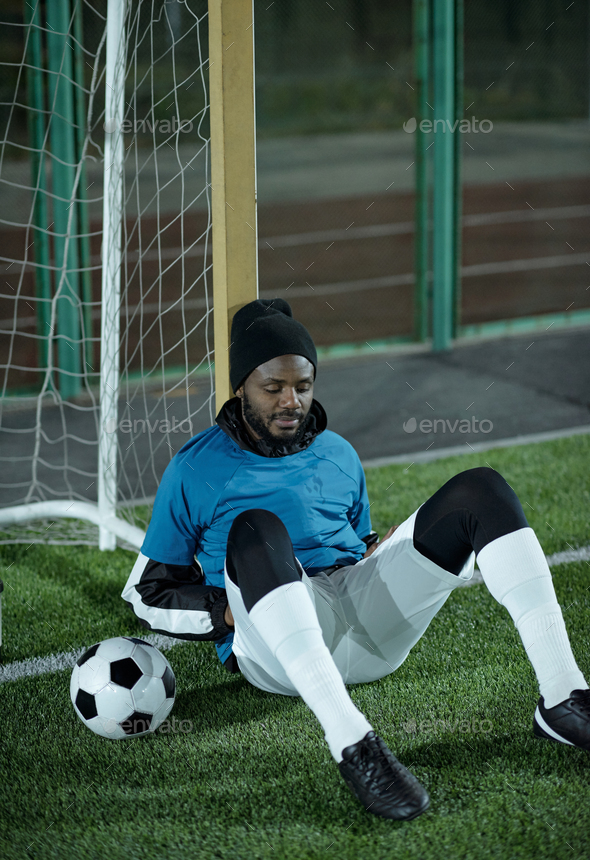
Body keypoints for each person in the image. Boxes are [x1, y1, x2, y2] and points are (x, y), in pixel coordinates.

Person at [122, 298, 590, 821]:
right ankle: (354, 743)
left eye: (302, 385)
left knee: (480, 489)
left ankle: (563, 696)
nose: (290, 402)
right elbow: (148, 592)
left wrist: (378, 552)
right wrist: (226, 613)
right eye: (272, 388)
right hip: (274, 651)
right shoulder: (195, 469)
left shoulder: (338, 453)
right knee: (254, 527)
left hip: (367, 629)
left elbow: (355, 538)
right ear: (241, 387)